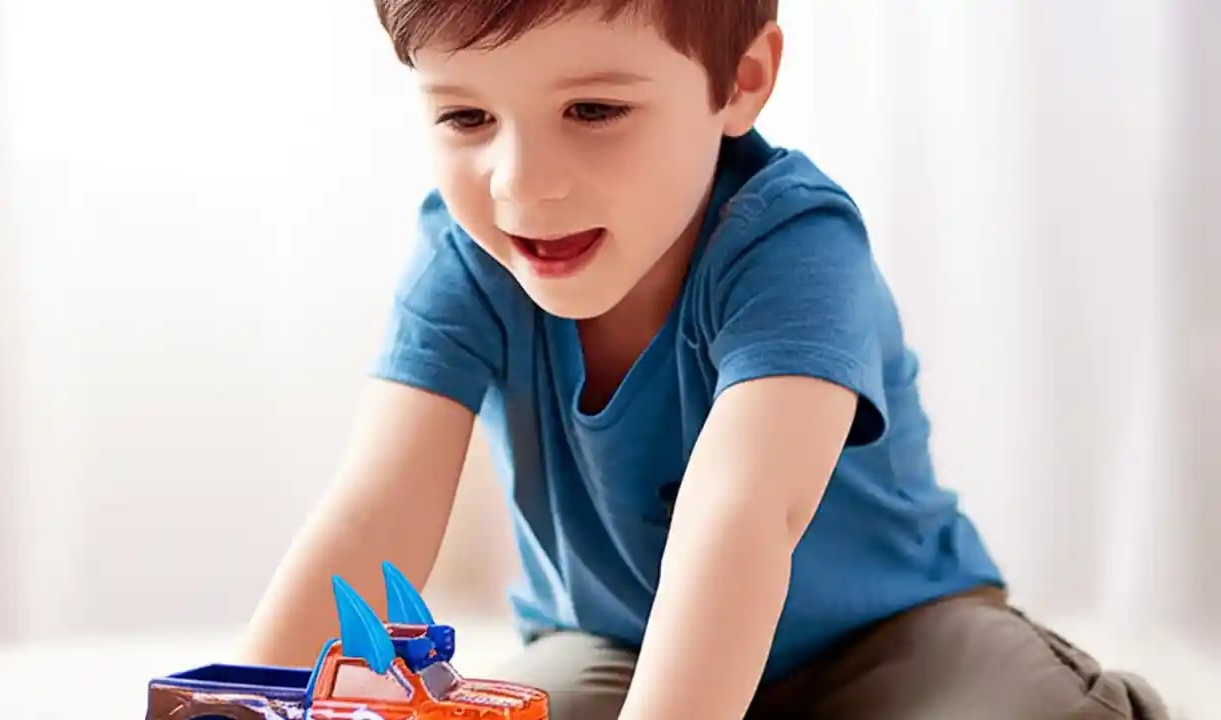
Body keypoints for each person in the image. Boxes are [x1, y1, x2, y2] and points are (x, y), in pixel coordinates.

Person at [238, 1, 1169, 717]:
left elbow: (743, 513)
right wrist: (241, 703)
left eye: (593, 109)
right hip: (620, 640)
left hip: (887, 630)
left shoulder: (795, 244)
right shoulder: (464, 263)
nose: (521, 183)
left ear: (743, 79)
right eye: (467, 118)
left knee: (1018, 708)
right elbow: (372, 515)